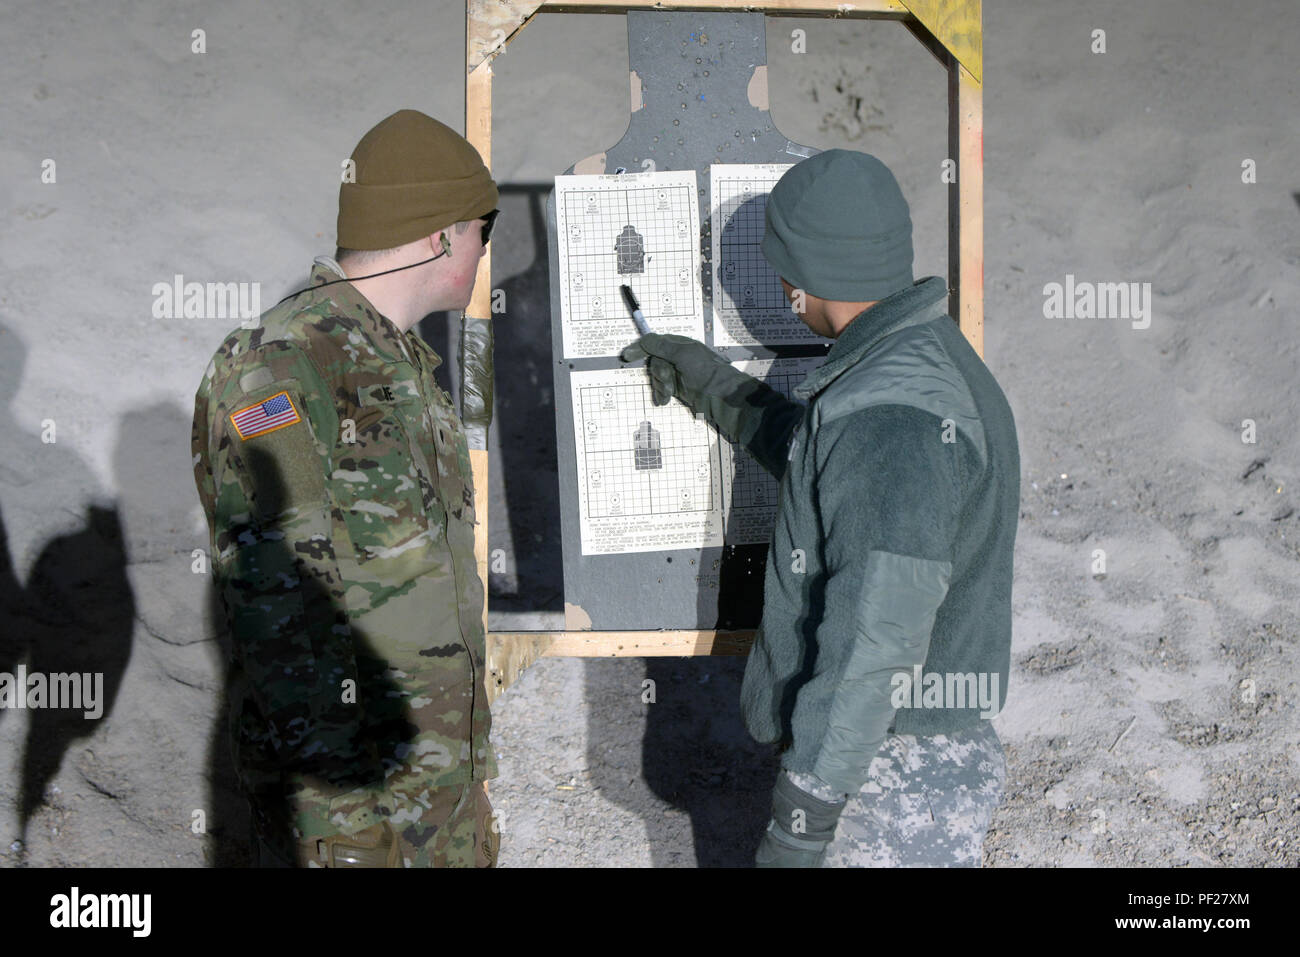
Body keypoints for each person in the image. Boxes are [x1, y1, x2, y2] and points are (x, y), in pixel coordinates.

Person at [621, 149, 1020, 867]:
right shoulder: (915, 360)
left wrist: (800, 823)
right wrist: (711, 382)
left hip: (889, 776)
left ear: (802, 281)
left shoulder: (891, 416)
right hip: (902, 752)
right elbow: (821, 458)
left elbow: (877, 638)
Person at [191, 109, 499, 867]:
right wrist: (343, 826)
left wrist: (466, 781)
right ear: (442, 236)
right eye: (481, 231)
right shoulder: (283, 364)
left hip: (435, 798)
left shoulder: (402, 365)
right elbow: (282, 603)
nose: (486, 252)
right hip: (355, 818)